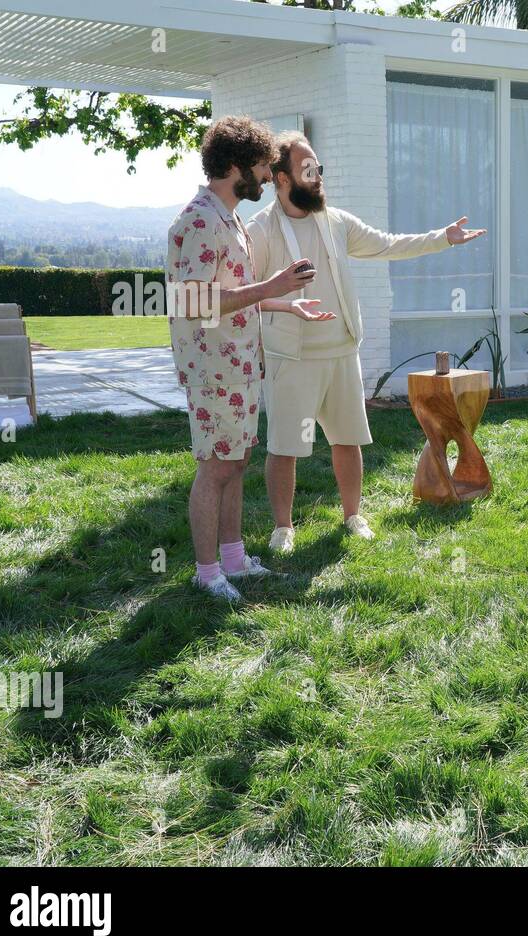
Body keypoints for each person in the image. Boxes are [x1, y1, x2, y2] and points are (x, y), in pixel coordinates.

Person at [246, 131, 486, 553]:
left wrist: (441, 237)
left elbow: (387, 245)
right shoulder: (260, 231)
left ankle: (353, 516)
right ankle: (283, 527)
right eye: (307, 169)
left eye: (319, 168)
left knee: (347, 439)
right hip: (292, 357)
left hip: (341, 351)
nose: (317, 176)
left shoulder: (335, 221)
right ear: (281, 178)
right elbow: (248, 294)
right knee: (284, 447)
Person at [166, 116, 334, 602]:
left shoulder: (229, 218)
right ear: (236, 164)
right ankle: (206, 571)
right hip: (212, 368)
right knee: (215, 468)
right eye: (262, 166)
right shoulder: (199, 221)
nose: (267, 175)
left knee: (236, 463)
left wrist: (284, 303)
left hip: (238, 364)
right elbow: (196, 302)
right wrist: (274, 286)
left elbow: (234, 294)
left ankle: (234, 559)